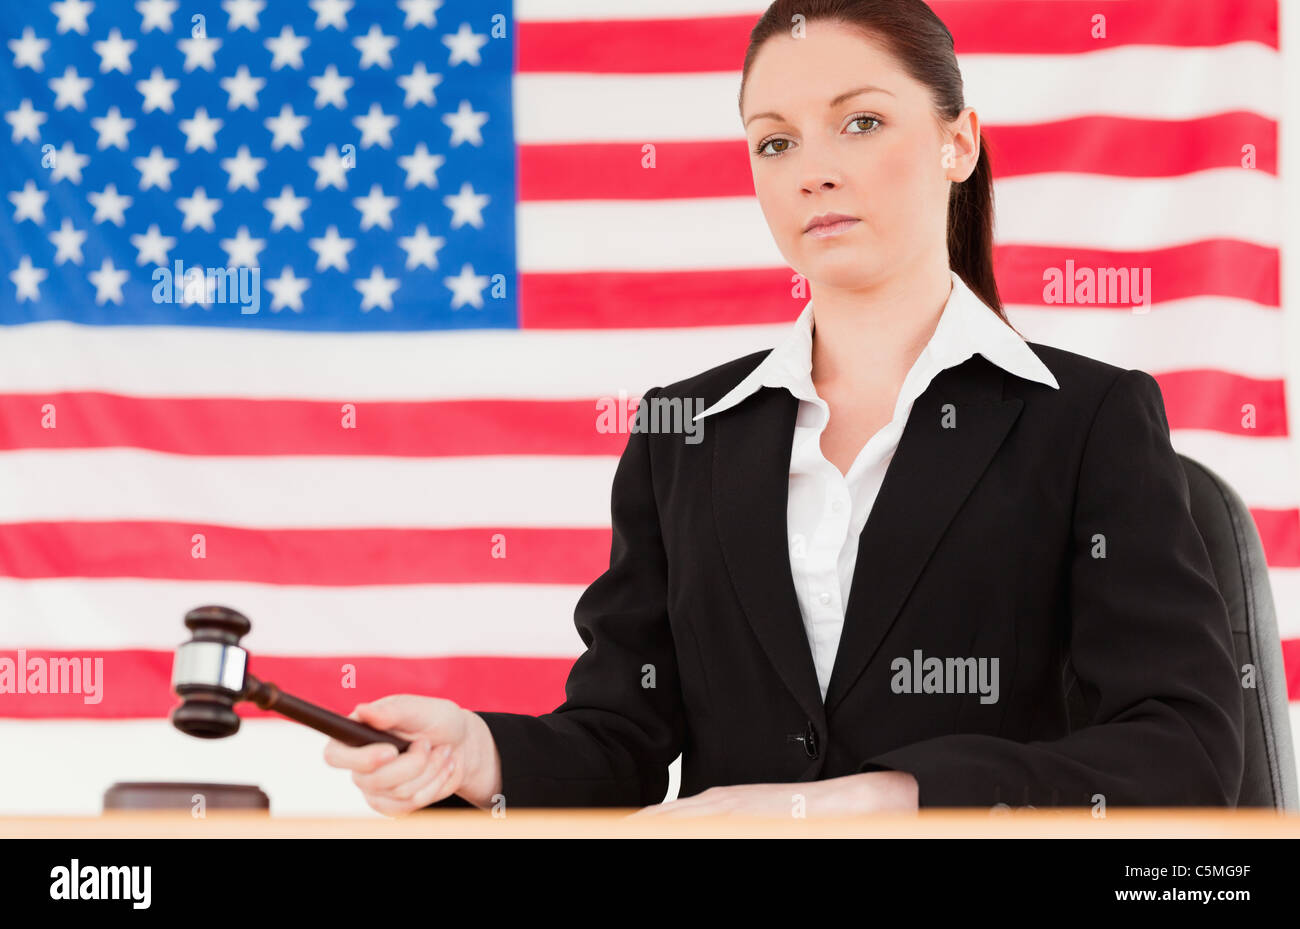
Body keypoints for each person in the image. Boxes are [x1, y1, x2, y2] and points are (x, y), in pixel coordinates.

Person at [323, 0, 1244, 816]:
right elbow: (621, 740)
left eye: (861, 122)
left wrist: (879, 799)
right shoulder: (681, 433)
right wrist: (478, 754)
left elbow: (1187, 752)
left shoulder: (1087, 419)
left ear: (957, 143)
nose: (813, 171)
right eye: (776, 140)